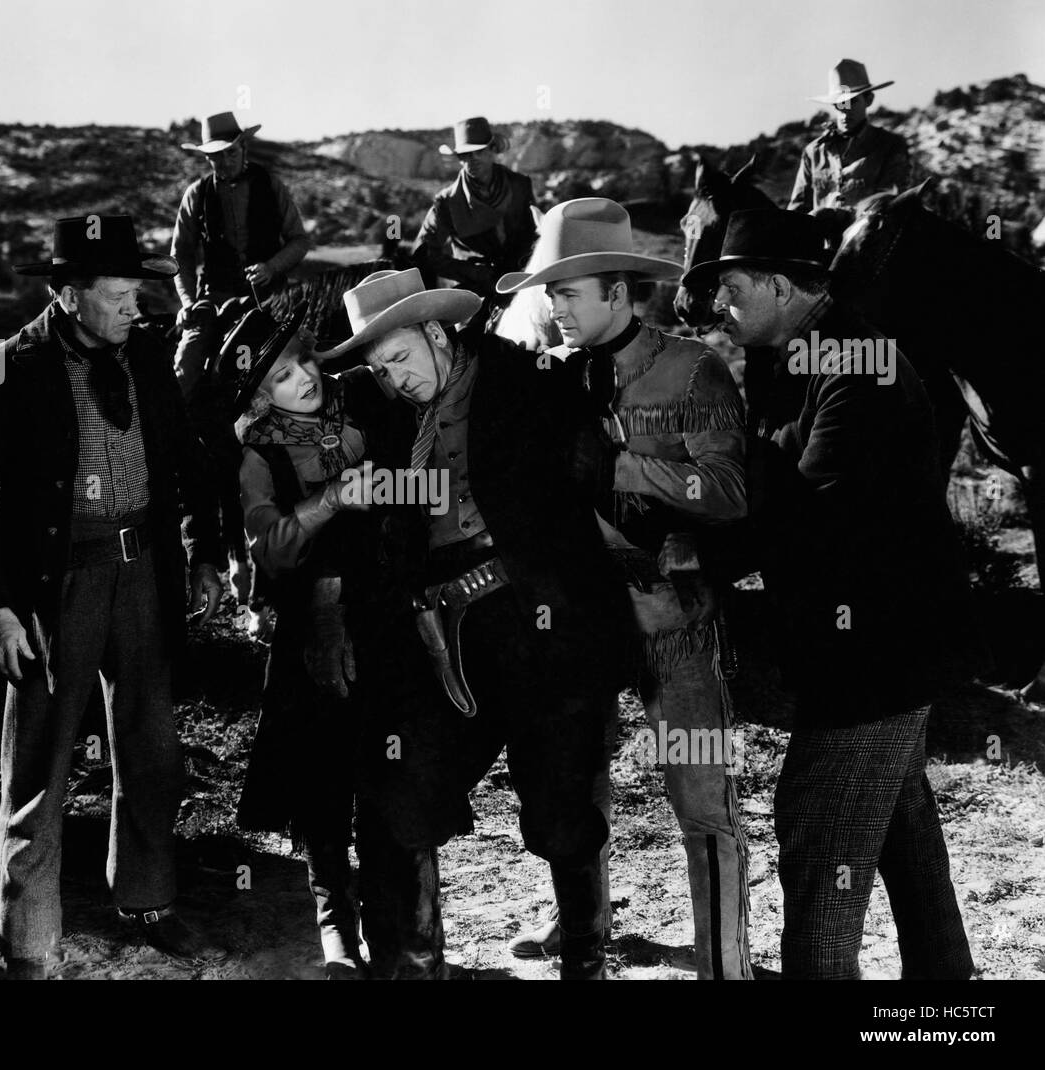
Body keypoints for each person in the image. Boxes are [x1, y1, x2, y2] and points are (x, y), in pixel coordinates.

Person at [685, 208, 976, 979]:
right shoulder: (801, 357)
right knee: (898, 825)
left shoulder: (856, 366)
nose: (722, 306)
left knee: (818, 833)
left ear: (783, 285)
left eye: (733, 287)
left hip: (878, 652)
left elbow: (816, 516)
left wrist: (703, 534)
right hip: (870, 644)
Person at [320, 268, 629, 979]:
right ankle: (416, 965)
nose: (394, 377)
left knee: (561, 801)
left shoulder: (528, 384)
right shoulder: (382, 414)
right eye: (379, 366)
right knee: (401, 790)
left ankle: (585, 959)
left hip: (537, 624)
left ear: (436, 333)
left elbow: (592, 489)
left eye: (401, 357)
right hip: (438, 634)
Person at [0, 214, 225, 979]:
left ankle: (148, 901)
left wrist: (204, 554)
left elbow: (190, 466)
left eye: (138, 292)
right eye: (117, 296)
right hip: (51, 588)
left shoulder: (149, 359)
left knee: (152, 752)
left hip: (143, 576)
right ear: (68, 296)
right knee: (39, 766)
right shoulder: (11, 369)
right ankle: (30, 940)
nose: (135, 308)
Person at [496, 198, 753, 979]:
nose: (553, 308)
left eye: (567, 293)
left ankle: (723, 960)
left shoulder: (691, 369)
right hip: (576, 616)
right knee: (577, 783)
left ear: (615, 290)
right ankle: (583, 919)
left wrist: (622, 464)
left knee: (700, 797)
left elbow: (731, 490)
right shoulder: (545, 378)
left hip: (673, 619)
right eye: (548, 294)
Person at [226, 303, 408, 977]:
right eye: (279, 376)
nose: (301, 377)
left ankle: (399, 928)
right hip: (310, 628)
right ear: (257, 393)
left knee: (390, 775)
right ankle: (336, 926)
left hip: (390, 612)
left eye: (302, 359)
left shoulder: (363, 395)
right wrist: (331, 501)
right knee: (321, 784)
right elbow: (269, 550)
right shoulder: (260, 453)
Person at [170, 111, 312, 623]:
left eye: (230, 151)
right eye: (215, 154)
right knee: (183, 375)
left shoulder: (270, 186)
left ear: (243, 149)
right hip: (214, 302)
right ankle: (174, 447)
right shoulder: (196, 196)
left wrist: (273, 267)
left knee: (311, 368)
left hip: (267, 301)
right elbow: (180, 256)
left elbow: (299, 241)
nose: (224, 159)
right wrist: (188, 300)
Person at [412, 116, 538, 304]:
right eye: (465, 155)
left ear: (492, 150)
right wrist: (474, 272)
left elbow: (533, 233)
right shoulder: (447, 202)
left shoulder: (519, 186)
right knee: (469, 333)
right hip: (475, 292)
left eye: (477, 151)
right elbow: (423, 254)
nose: (472, 160)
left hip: (520, 283)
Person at [788, 59, 910, 213]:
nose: (845, 111)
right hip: (819, 235)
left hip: (868, 234)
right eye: (840, 104)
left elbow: (890, 202)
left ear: (869, 100)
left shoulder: (889, 145)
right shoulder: (814, 152)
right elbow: (797, 209)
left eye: (852, 102)